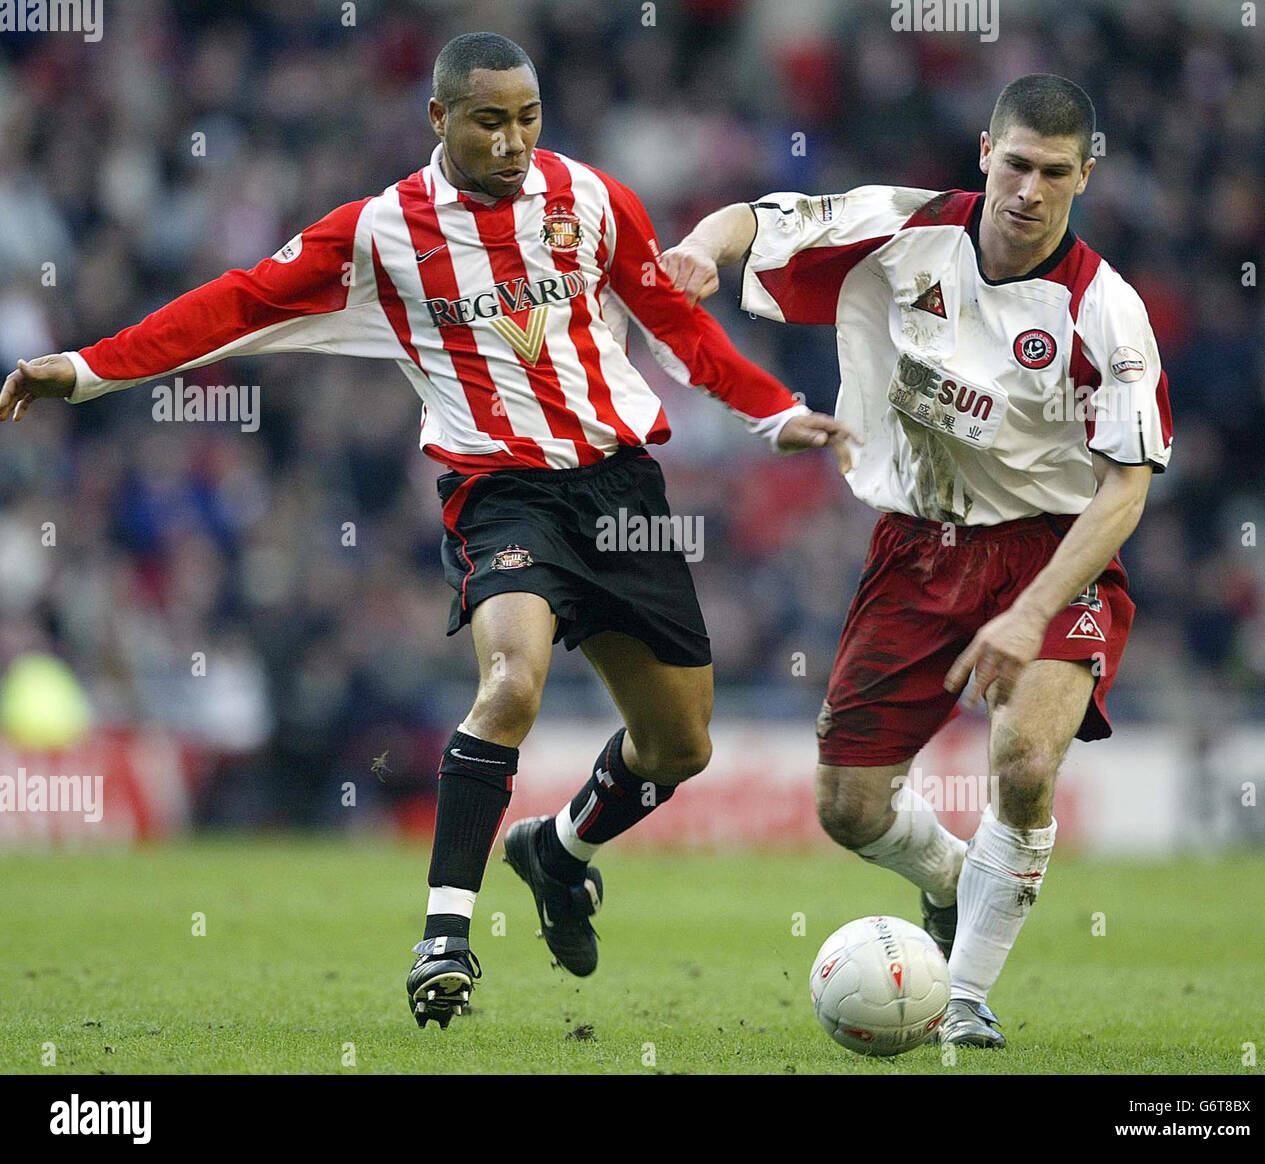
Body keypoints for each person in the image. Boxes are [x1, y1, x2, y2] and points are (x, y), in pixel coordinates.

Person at [0, 32, 855, 1031]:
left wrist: (776, 413)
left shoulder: (590, 198)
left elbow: (676, 322)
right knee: (511, 682)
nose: (512, 140)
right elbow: (237, 304)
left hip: (622, 491)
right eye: (489, 120)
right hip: (502, 496)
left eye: (527, 118)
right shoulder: (381, 231)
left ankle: (558, 850)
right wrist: (88, 367)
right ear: (439, 119)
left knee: (679, 747)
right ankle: (444, 934)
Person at [661, 74, 1172, 1047]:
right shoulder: (904, 228)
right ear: (984, 151)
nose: (1028, 189)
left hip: (1052, 551)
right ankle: (949, 885)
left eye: (1053, 173)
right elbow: (755, 220)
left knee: (1022, 762)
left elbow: (1123, 492)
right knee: (848, 810)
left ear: (1085, 175)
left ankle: (965, 1000)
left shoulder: (1106, 312)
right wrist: (696, 250)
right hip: (916, 545)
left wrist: (1028, 614)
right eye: (1015, 164)